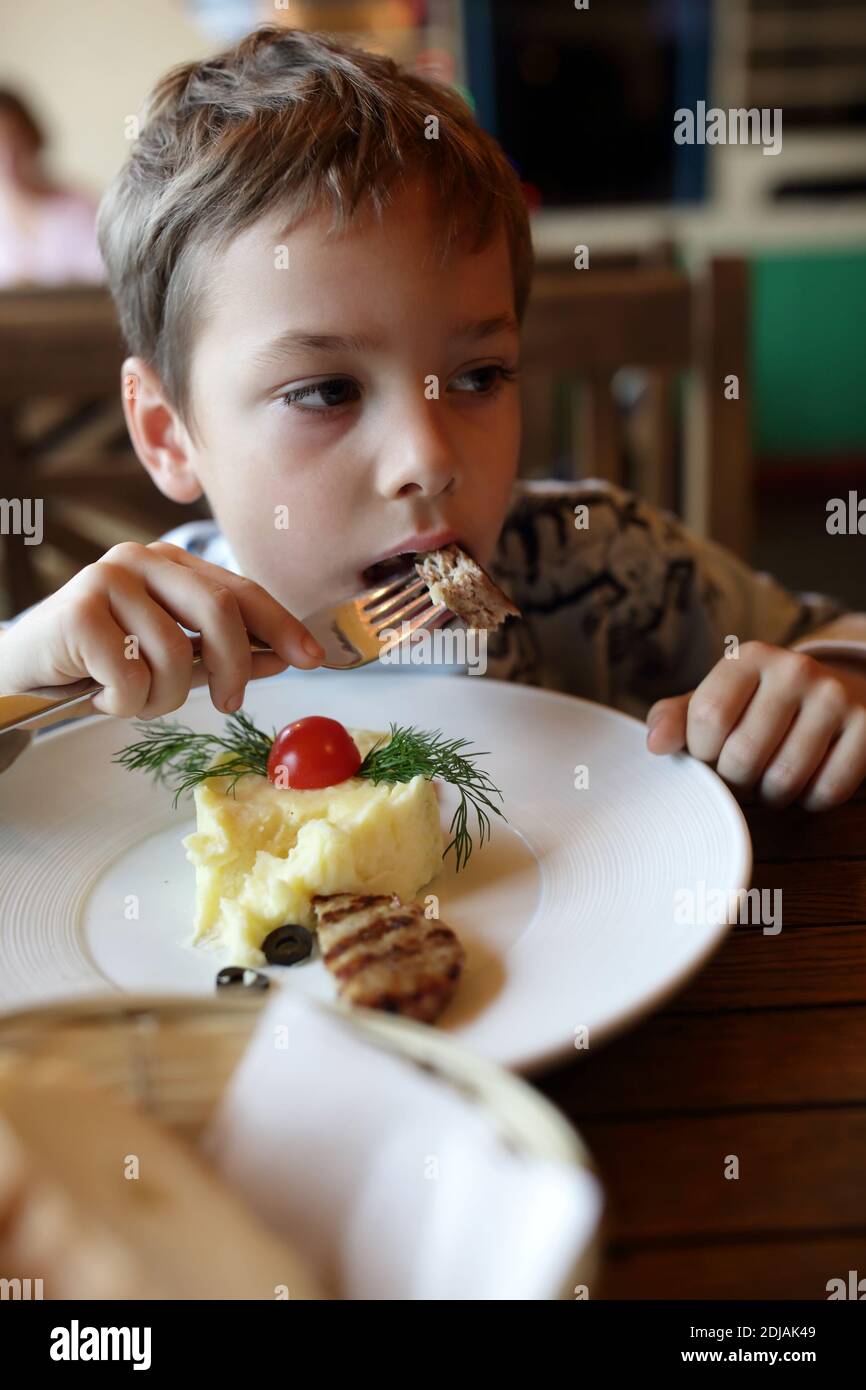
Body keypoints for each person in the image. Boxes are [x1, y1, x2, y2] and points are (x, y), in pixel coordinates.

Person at [1, 26, 865, 811]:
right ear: (164, 432)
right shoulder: (135, 651)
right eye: (328, 391)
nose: (429, 458)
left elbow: (833, 640)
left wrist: (830, 687)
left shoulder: (605, 567)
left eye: (479, 375)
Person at [0, 87, 103, 287]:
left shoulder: (80, 207)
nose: (7, 156)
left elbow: (107, 277)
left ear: (33, 139)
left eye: (14, 141)